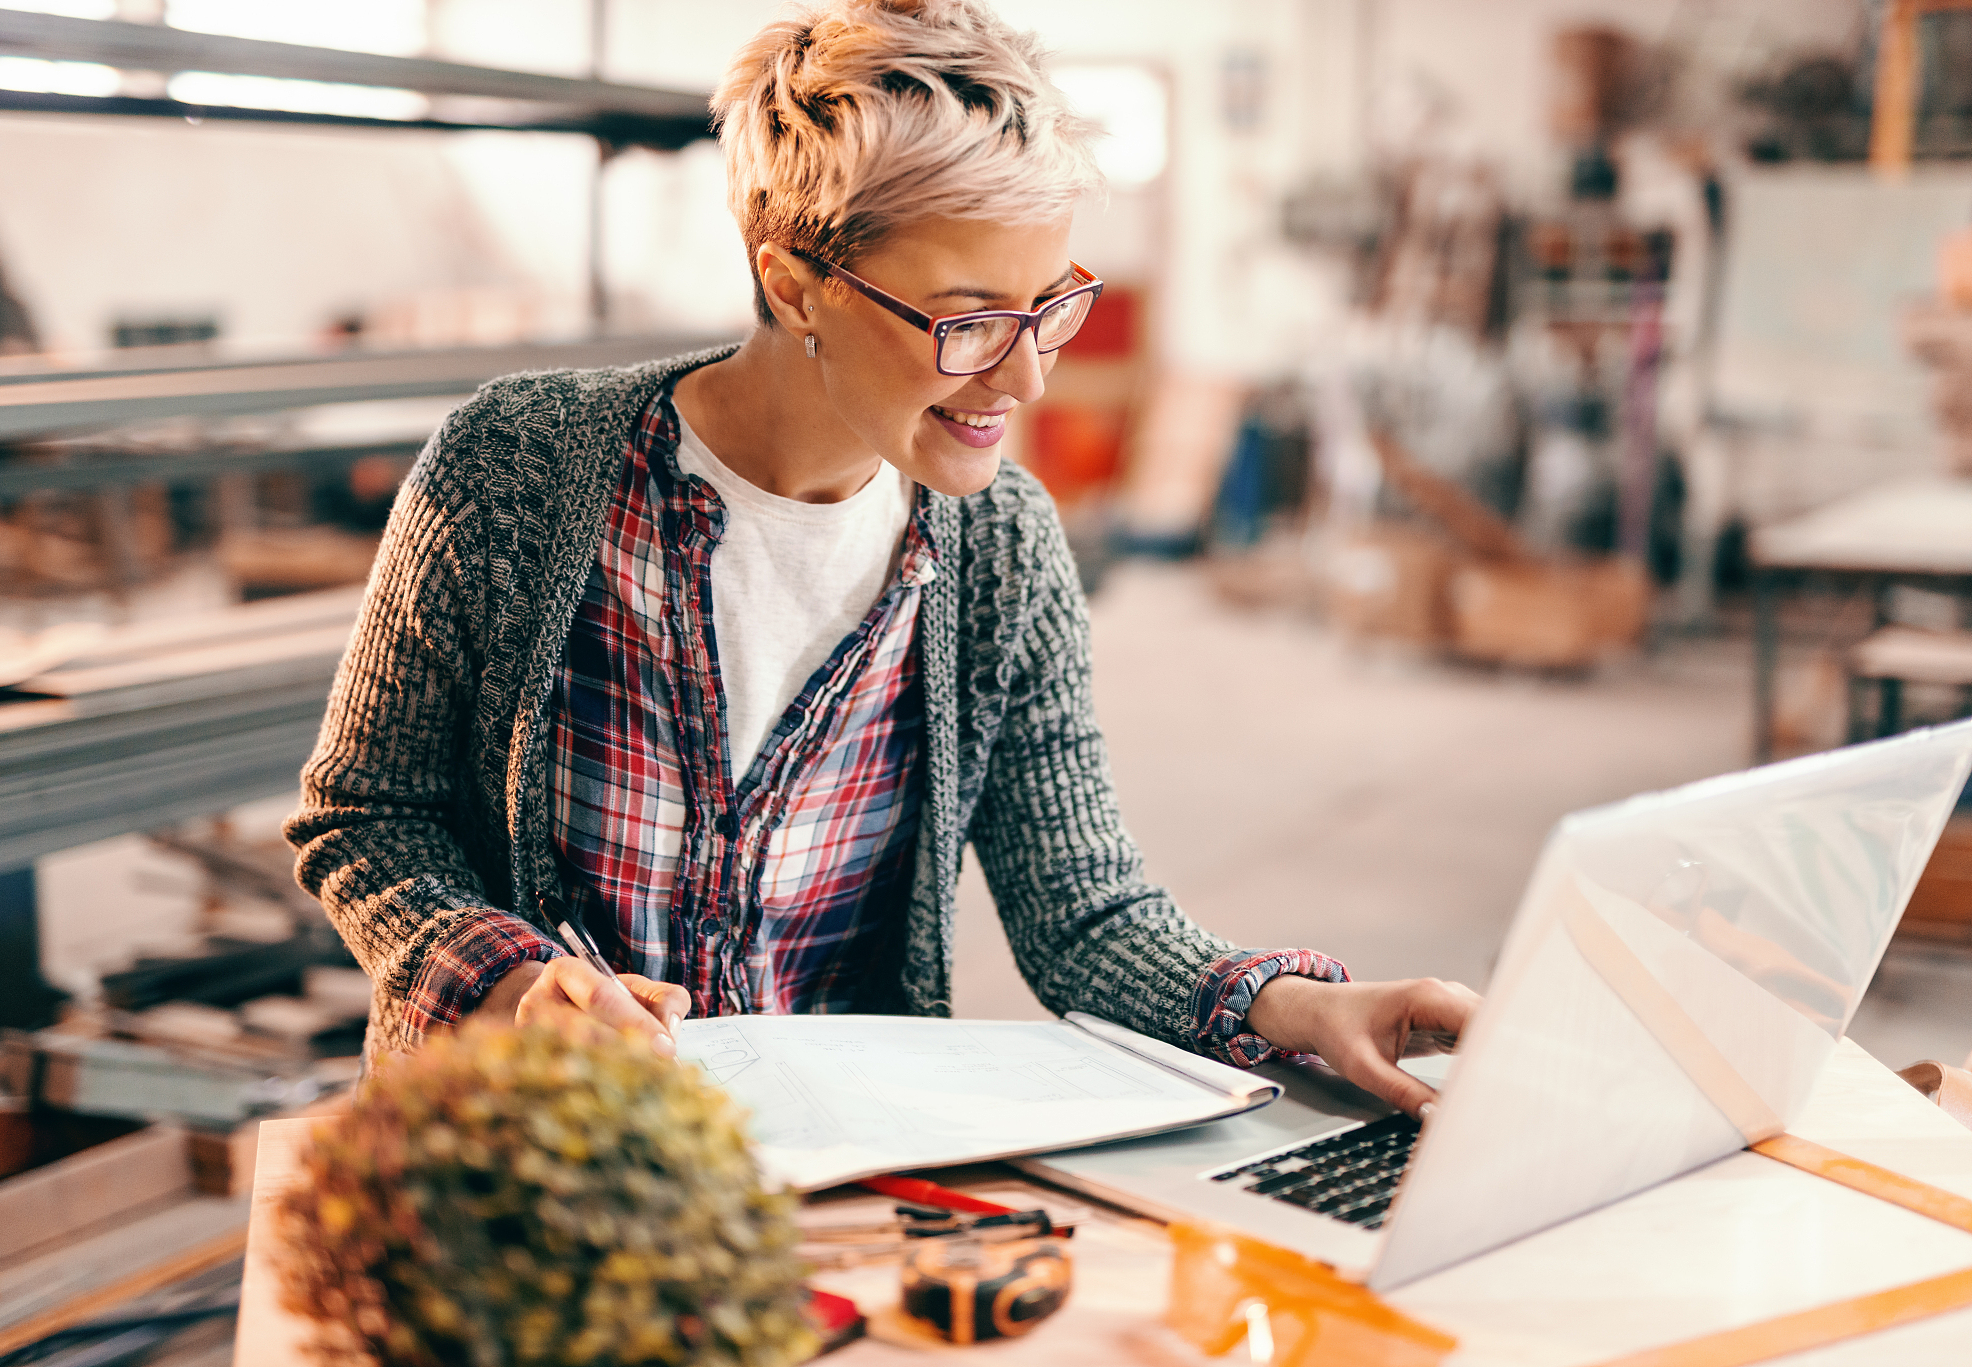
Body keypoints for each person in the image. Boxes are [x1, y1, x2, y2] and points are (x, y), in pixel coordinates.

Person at [286, 0, 1477, 1118]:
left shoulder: (1002, 546)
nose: (1023, 378)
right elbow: (363, 813)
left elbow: (1083, 911)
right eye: (966, 321)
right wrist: (505, 978)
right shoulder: (518, 469)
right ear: (792, 283)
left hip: (830, 1174)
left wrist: (1299, 1008)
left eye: (1044, 306)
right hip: (506, 1148)